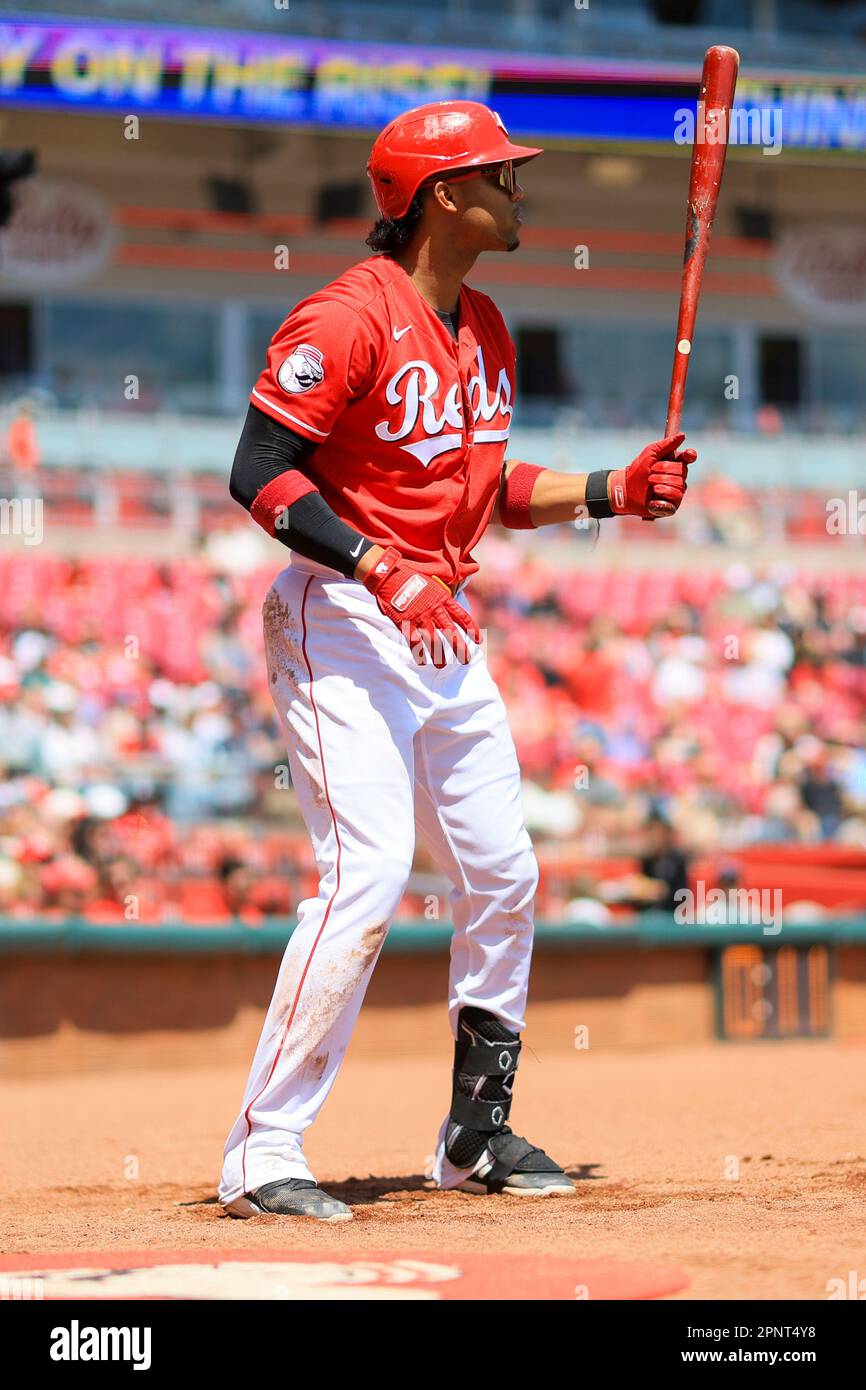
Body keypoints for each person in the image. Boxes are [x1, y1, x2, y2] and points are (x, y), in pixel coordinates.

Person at [219, 100, 694, 1222]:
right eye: (500, 176)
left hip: (439, 625)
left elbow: (478, 491)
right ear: (442, 194)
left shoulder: (483, 323)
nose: (518, 192)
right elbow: (258, 472)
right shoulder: (345, 316)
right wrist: (380, 566)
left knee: (502, 872)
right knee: (371, 870)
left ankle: (473, 1136)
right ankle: (262, 1148)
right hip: (341, 617)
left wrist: (606, 493)